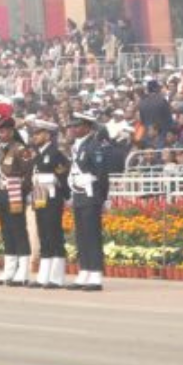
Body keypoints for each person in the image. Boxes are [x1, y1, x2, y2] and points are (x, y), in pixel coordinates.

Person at [66, 112, 110, 292]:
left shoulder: (94, 145)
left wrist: (102, 198)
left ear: (87, 127)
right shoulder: (78, 146)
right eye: (72, 126)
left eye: (77, 126)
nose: (73, 129)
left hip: (91, 196)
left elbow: (101, 175)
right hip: (80, 195)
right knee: (82, 236)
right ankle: (84, 270)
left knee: (92, 236)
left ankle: (95, 274)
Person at [0, 115, 33, 287]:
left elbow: (28, 174)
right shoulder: (1, 149)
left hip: (15, 193)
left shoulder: (20, 149)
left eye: (5, 131)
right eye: (0, 131)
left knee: (18, 230)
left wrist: (21, 191)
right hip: (2, 192)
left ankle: (23, 271)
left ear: (12, 132)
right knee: (6, 231)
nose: (1, 134)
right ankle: (9, 270)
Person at [26, 119, 70, 289]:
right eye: (34, 133)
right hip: (39, 194)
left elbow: (63, 175)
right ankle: (43, 275)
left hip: (52, 196)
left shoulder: (55, 154)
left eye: (38, 133)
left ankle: (57, 276)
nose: (34, 136)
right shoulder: (38, 154)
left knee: (53, 233)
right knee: (43, 233)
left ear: (47, 135)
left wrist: (57, 184)